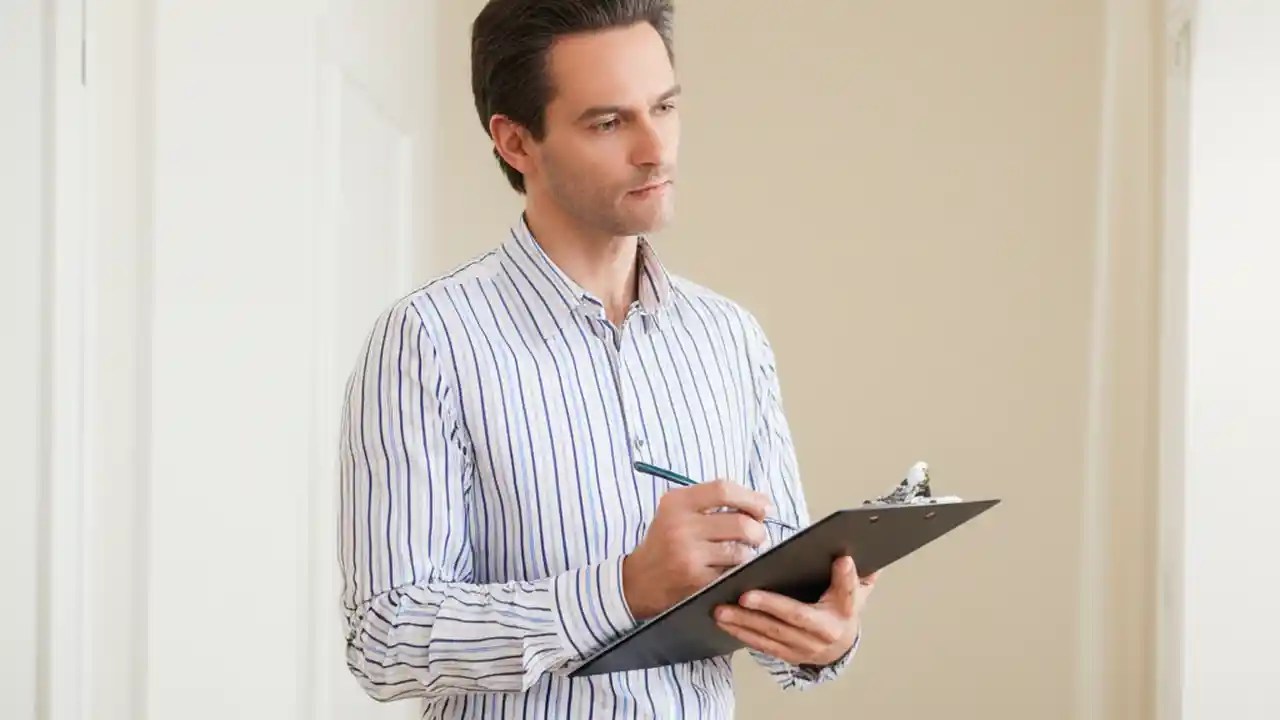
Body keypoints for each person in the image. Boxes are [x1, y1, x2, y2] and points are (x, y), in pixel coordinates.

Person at [337, 0, 878, 716]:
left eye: (664, 107)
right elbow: (385, 640)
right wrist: (621, 589)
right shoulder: (429, 342)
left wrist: (825, 637)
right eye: (609, 122)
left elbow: (774, 593)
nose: (656, 149)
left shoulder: (730, 338)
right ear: (516, 142)